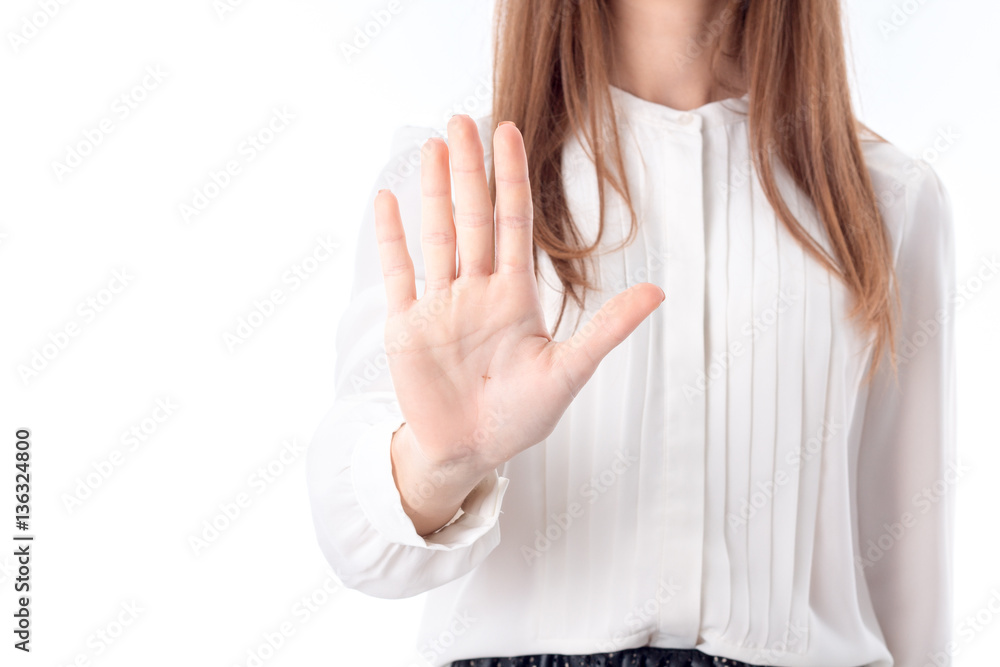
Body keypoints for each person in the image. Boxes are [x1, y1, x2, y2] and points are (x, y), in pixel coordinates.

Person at [306, 1, 956, 665]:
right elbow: (356, 535)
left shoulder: (890, 200)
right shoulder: (456, 191)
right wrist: (445, 458)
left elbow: (908, 583)